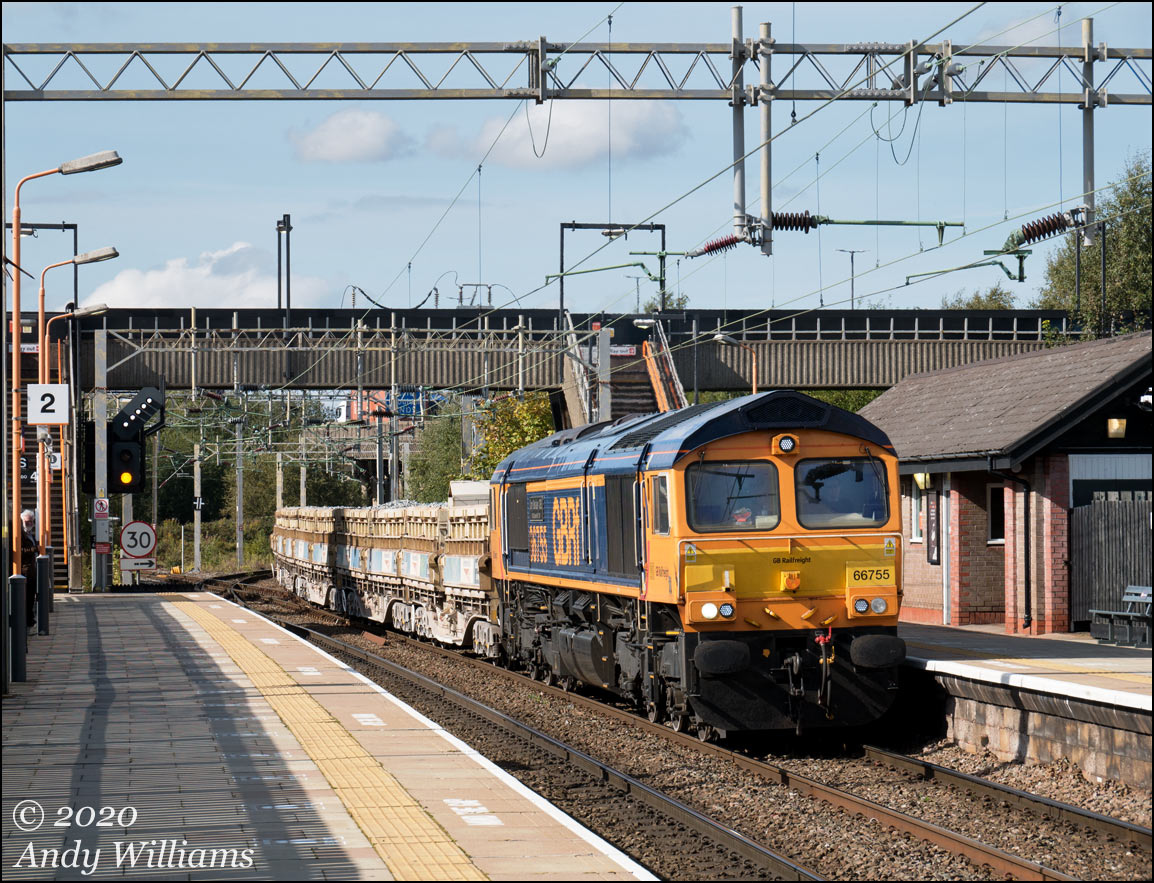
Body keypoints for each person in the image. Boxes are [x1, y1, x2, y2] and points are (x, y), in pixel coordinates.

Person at [20, 510, 38, 628]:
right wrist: (34, 549)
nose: (29, 524)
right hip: (24, 570)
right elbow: (19, 551)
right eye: (27, 522)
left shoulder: (30, 534)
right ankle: (27, 620)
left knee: (31, 596)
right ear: (22, 522)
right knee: (26, 597)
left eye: (31, 521)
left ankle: (30, 619)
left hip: (31, 570)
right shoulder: (20, 535)